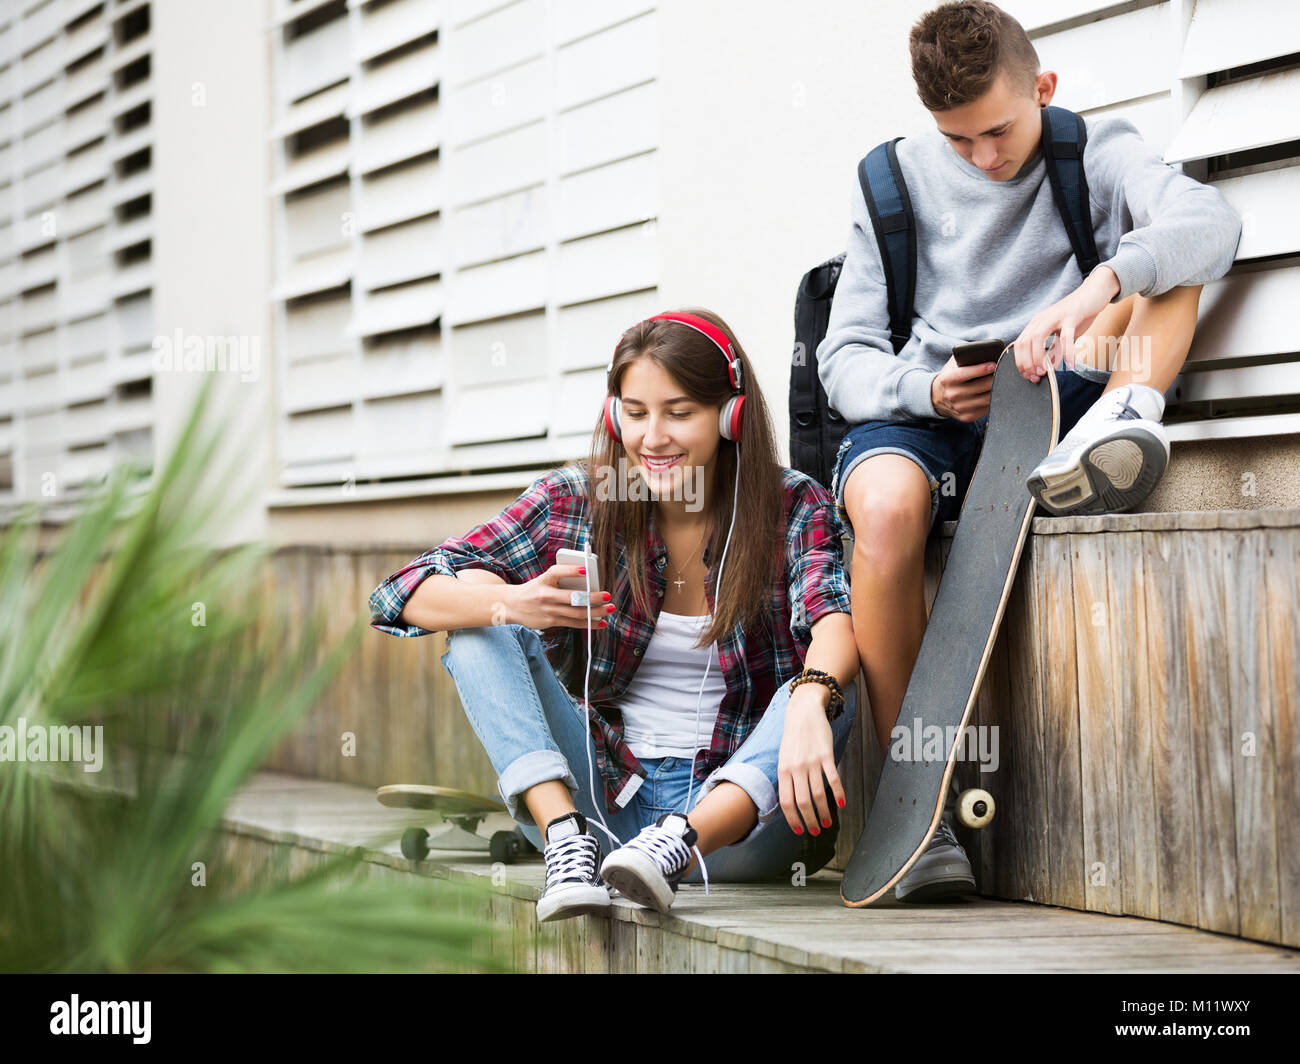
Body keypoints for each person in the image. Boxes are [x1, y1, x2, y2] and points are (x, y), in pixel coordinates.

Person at [817, 1, 1241, 898]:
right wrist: (922, 389)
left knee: (1169, 261)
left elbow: (1212, 224)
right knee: (886, 511)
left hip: (1059, 389)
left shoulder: (1093, 150)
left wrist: (1096, 289)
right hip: (929, 412)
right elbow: (843, 356)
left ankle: (1128, 423)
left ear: (1042, 87)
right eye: (956, 140)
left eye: (998, 131)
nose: (982, 157)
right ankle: (916, 800)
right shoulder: (887, 181)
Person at [370, 308, 860, 922]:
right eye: (635, 412)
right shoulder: (579, 499)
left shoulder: (791, 504)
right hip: (603, 812)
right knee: (477, 624)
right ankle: (562, 840)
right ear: (614, 415)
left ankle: (677, 843)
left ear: (730, 415)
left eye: (679, 413)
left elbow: (834, 624)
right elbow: (399, 592)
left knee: (826, 685)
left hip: (737, 833)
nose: (652, 437)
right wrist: (513, 602)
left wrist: (813, 700)